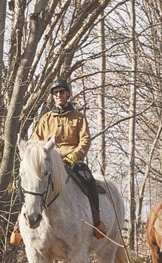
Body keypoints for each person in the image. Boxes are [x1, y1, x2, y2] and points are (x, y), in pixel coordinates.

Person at [11, 78, 106, 245]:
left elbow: (85, 141)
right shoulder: (45, 119)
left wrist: (73, 157)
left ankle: (96, 219)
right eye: (55, 93)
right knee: (27, 182)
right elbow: (35, 142)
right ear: (53, 97)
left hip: (71, 161)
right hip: (48, 162)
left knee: (89, 179)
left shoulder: (78, 118)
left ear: (68, 94)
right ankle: (19, 222)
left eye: (62, 92)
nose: (59, 95)